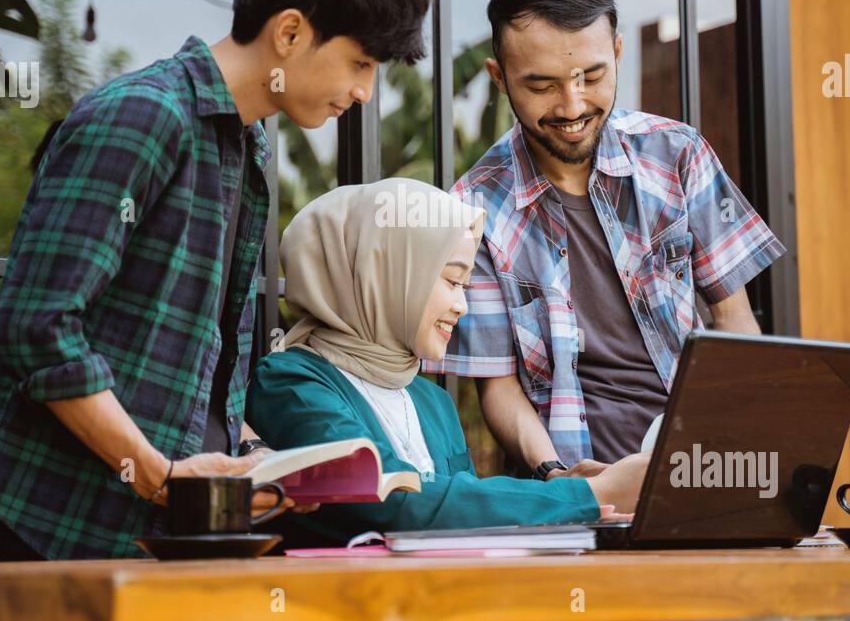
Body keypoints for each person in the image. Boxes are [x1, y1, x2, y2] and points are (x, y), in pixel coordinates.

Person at [0, 0, 433, 561]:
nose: (366, 93)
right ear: (289, 34)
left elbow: (198, 375)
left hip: (151, 542)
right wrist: (158, 477)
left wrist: (257, 468)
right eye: (361, 64)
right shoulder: (143, 115)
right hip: (42, 535)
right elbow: (38, 327)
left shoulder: (247, 146)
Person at [422, 0, 787, 481]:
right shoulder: (472, 208)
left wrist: (744, 448)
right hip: (575, 491)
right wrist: (556, 475)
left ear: (616, 53)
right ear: (499, 77)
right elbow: (498, 387)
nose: (572, 106)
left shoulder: (677, 154)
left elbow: (734, 322)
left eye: (591, 77)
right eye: (542, 85)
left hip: (700, 465)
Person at [247, 178, 650, 545]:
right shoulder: (290, 383)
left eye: (466, 285)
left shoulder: (431, 401)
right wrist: (592, 494)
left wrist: (564, 486)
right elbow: (393, 502)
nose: (461, 306)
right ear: (383, 274)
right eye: (452, 282)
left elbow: (464, 517)